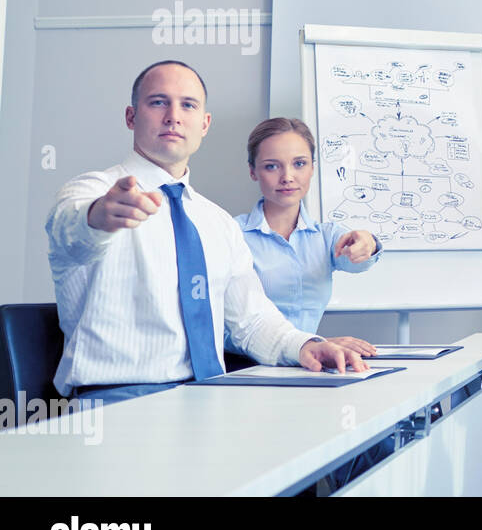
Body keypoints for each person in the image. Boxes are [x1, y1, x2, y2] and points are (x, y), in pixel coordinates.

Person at [45, 60, 367, 406]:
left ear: (204, 123)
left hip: (208, 397)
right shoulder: (94, 191)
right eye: (158, 102)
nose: (173, 116)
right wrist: (99, 218)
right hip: (118, 400)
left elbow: (252, 320)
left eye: (188, 105)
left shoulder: (218, 223)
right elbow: (71, 231)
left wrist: (307, 345)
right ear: (130, 117)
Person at [235, 117, 380, 354]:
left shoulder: (326, 236)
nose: (287, 177)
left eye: (299, 164)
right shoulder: (233, 235)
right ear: (253, 171)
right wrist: (311, 344)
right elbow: (227, 325)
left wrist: (368, 242)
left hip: (307, 366)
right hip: (246, 369)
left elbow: (358, 260)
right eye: (272, 166)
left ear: (313, 167)